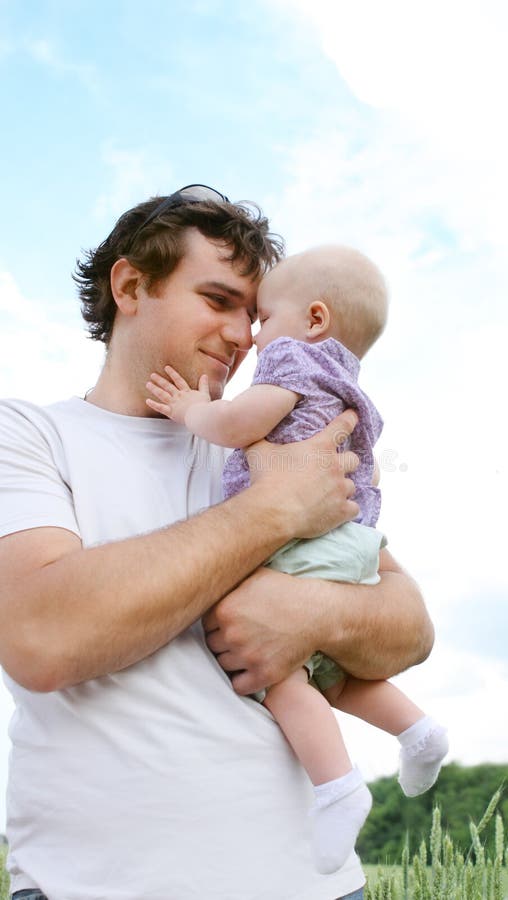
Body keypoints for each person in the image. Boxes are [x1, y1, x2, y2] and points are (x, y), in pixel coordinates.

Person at [0, 184, 434, 900]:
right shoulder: (29, 436)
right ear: (131, 284)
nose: (247, 335)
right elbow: (41, 639)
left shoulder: (276, 441)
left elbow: (409, 628)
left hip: (315, 886)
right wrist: (269, 513)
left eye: (255, 311)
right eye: (219, 300)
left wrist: (315, 617)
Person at [145, 245, 448, 874]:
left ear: (313, 318)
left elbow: (237, 425)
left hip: (309, 544)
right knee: (332, 674)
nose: (252, 335)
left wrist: (190, 411)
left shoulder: (292, 359)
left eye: (261, 315)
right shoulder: (342, 376)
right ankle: (417, 732)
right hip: (353, 539)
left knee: (279, 669)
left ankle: (337, 785)